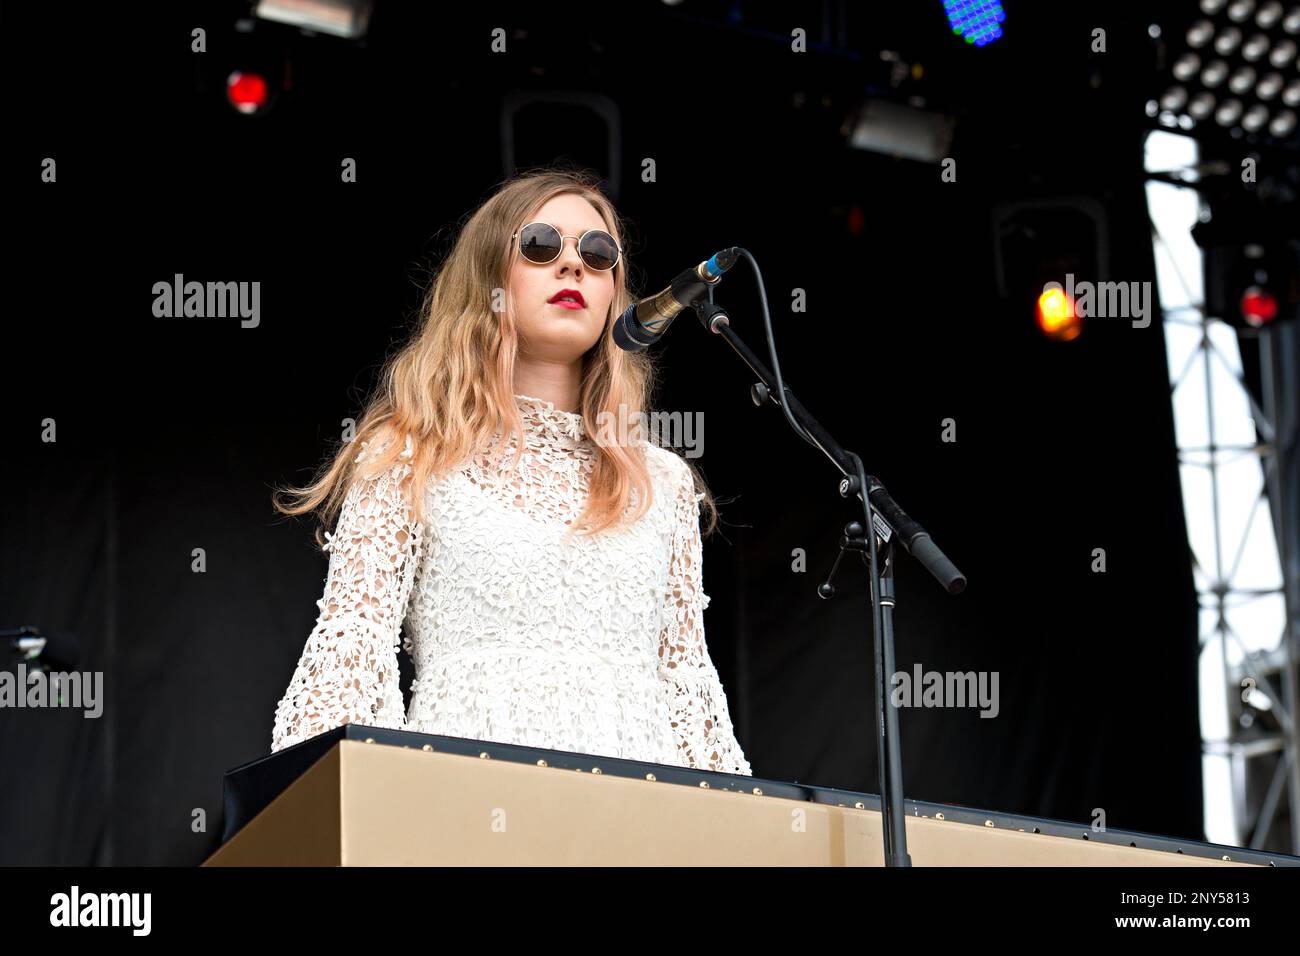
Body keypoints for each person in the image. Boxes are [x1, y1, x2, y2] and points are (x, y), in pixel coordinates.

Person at [267, 168, 752, 776]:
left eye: (598, 254)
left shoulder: (663, 483)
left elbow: (687, 686)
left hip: (642, 824)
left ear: (614, 295)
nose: (573, 266)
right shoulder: (408, 455)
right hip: (470, 809)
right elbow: (352, 652)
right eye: (541, 245)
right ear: (490, 277)